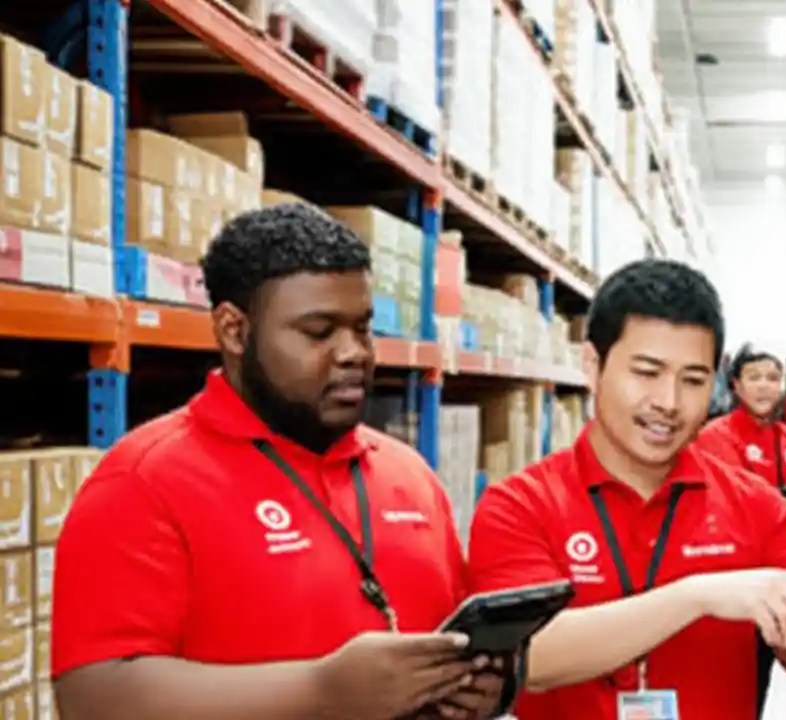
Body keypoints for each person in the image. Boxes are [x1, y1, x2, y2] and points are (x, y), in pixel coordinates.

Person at [51, 204, 511, 720]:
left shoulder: (411, 478)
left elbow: (458, 640)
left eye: (362, 328)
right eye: (319, 331)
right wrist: (323, 693)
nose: (354, 353)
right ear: (234, 330)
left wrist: (482, 688)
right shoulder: (143, 483)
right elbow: (93, 698)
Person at [464, 259, 786, 720]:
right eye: (647, 373)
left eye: (693, 380)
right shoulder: (520, 504)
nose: (668, 402)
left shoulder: (757, 506)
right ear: (593, 365)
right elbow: (531, 656)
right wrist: (698, 596)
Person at [694, 342, 786, 717]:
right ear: (736, 384)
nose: (765, 386)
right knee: (732, 684)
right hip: (734, 579)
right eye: (754, 377)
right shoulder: (714, 437)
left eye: (773, 377)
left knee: (768, 674)